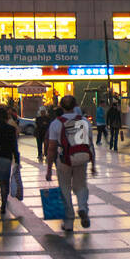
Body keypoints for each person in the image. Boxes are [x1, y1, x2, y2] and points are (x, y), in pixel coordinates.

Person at [45, 94, 93, 231]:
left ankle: (69, 222)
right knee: (81, 185)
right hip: (81, 158)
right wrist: (93, 164)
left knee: (65, 188)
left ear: (60, 106)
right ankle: (83, 207)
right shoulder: (84, 121)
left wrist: (49, 168)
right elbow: (89, 144)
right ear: (75, 106)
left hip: (64, 160)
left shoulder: (56, 123)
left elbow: (52, 148)